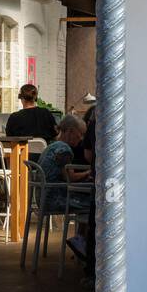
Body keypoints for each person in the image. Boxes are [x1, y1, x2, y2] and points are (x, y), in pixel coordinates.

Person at [38, 114, 95, 283]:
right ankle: (82, 245)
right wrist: (88, 173)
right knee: (92, 206)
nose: (81, 139)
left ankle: (81, 243)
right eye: (80, 134)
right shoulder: (64, 150)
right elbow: (70, 177)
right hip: (55, 198)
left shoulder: (52, 146)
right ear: (70, 131)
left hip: (44, 197)